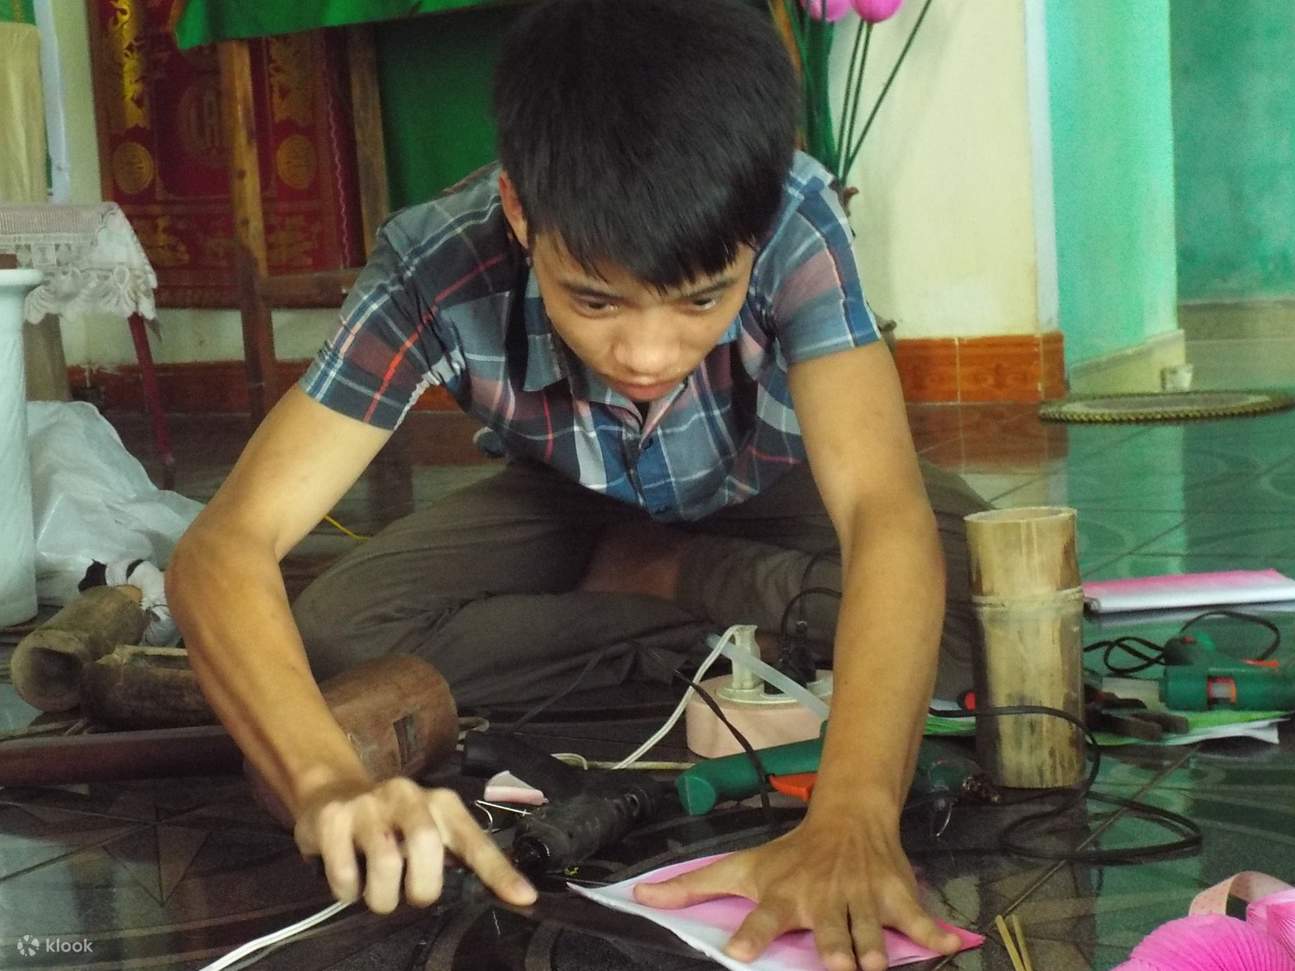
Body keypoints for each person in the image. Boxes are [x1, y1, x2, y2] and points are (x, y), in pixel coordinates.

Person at [167, 0, 987, 967]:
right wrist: (323, 782)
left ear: (756, 228)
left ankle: (670, 577)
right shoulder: (436, 261)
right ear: (520, 211)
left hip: (775, 486)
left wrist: (853, 814)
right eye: (593, 299)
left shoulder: (793, 211)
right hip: (567, 504)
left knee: (986, 603)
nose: (645, 353)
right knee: (333, 631)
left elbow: (878, 508)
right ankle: (683, 604)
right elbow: (226, 545)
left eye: (702, 301)